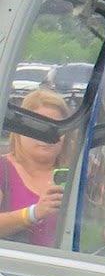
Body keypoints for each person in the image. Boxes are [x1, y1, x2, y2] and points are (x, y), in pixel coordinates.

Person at [0, 86, 69, 246]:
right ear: (19, 130)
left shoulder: (76, 175)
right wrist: (33, 213)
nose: (46, 136)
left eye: (55, 129)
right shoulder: (3, 169)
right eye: (36, 127)